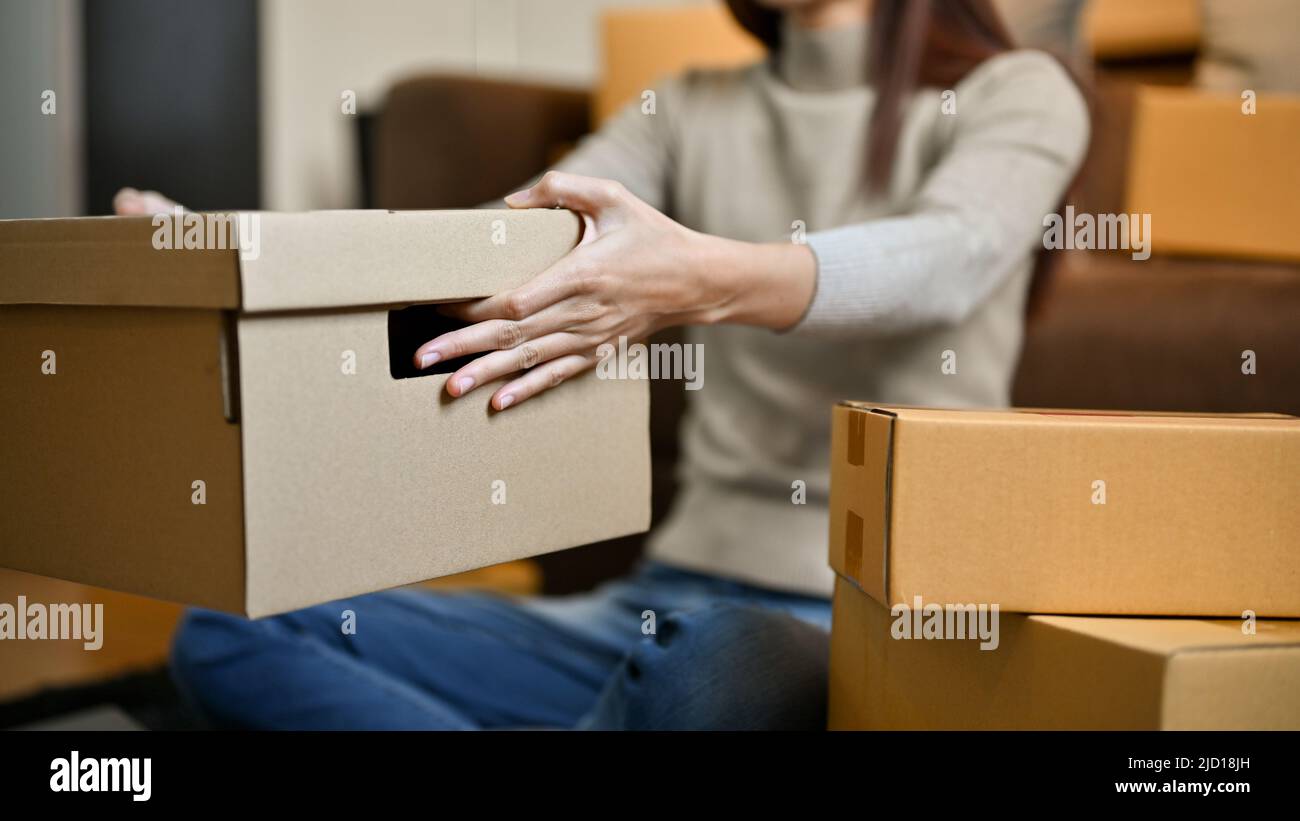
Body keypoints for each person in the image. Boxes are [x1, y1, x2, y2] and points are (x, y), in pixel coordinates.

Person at [114, 0, 1089, 729]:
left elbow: (945, 260)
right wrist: (253, 259)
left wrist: (696, 279)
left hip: (857, 623)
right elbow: (497, 241)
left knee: (716, 666)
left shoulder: (1020, 93)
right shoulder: (690, 108)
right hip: (651, 606)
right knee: (236, 629)